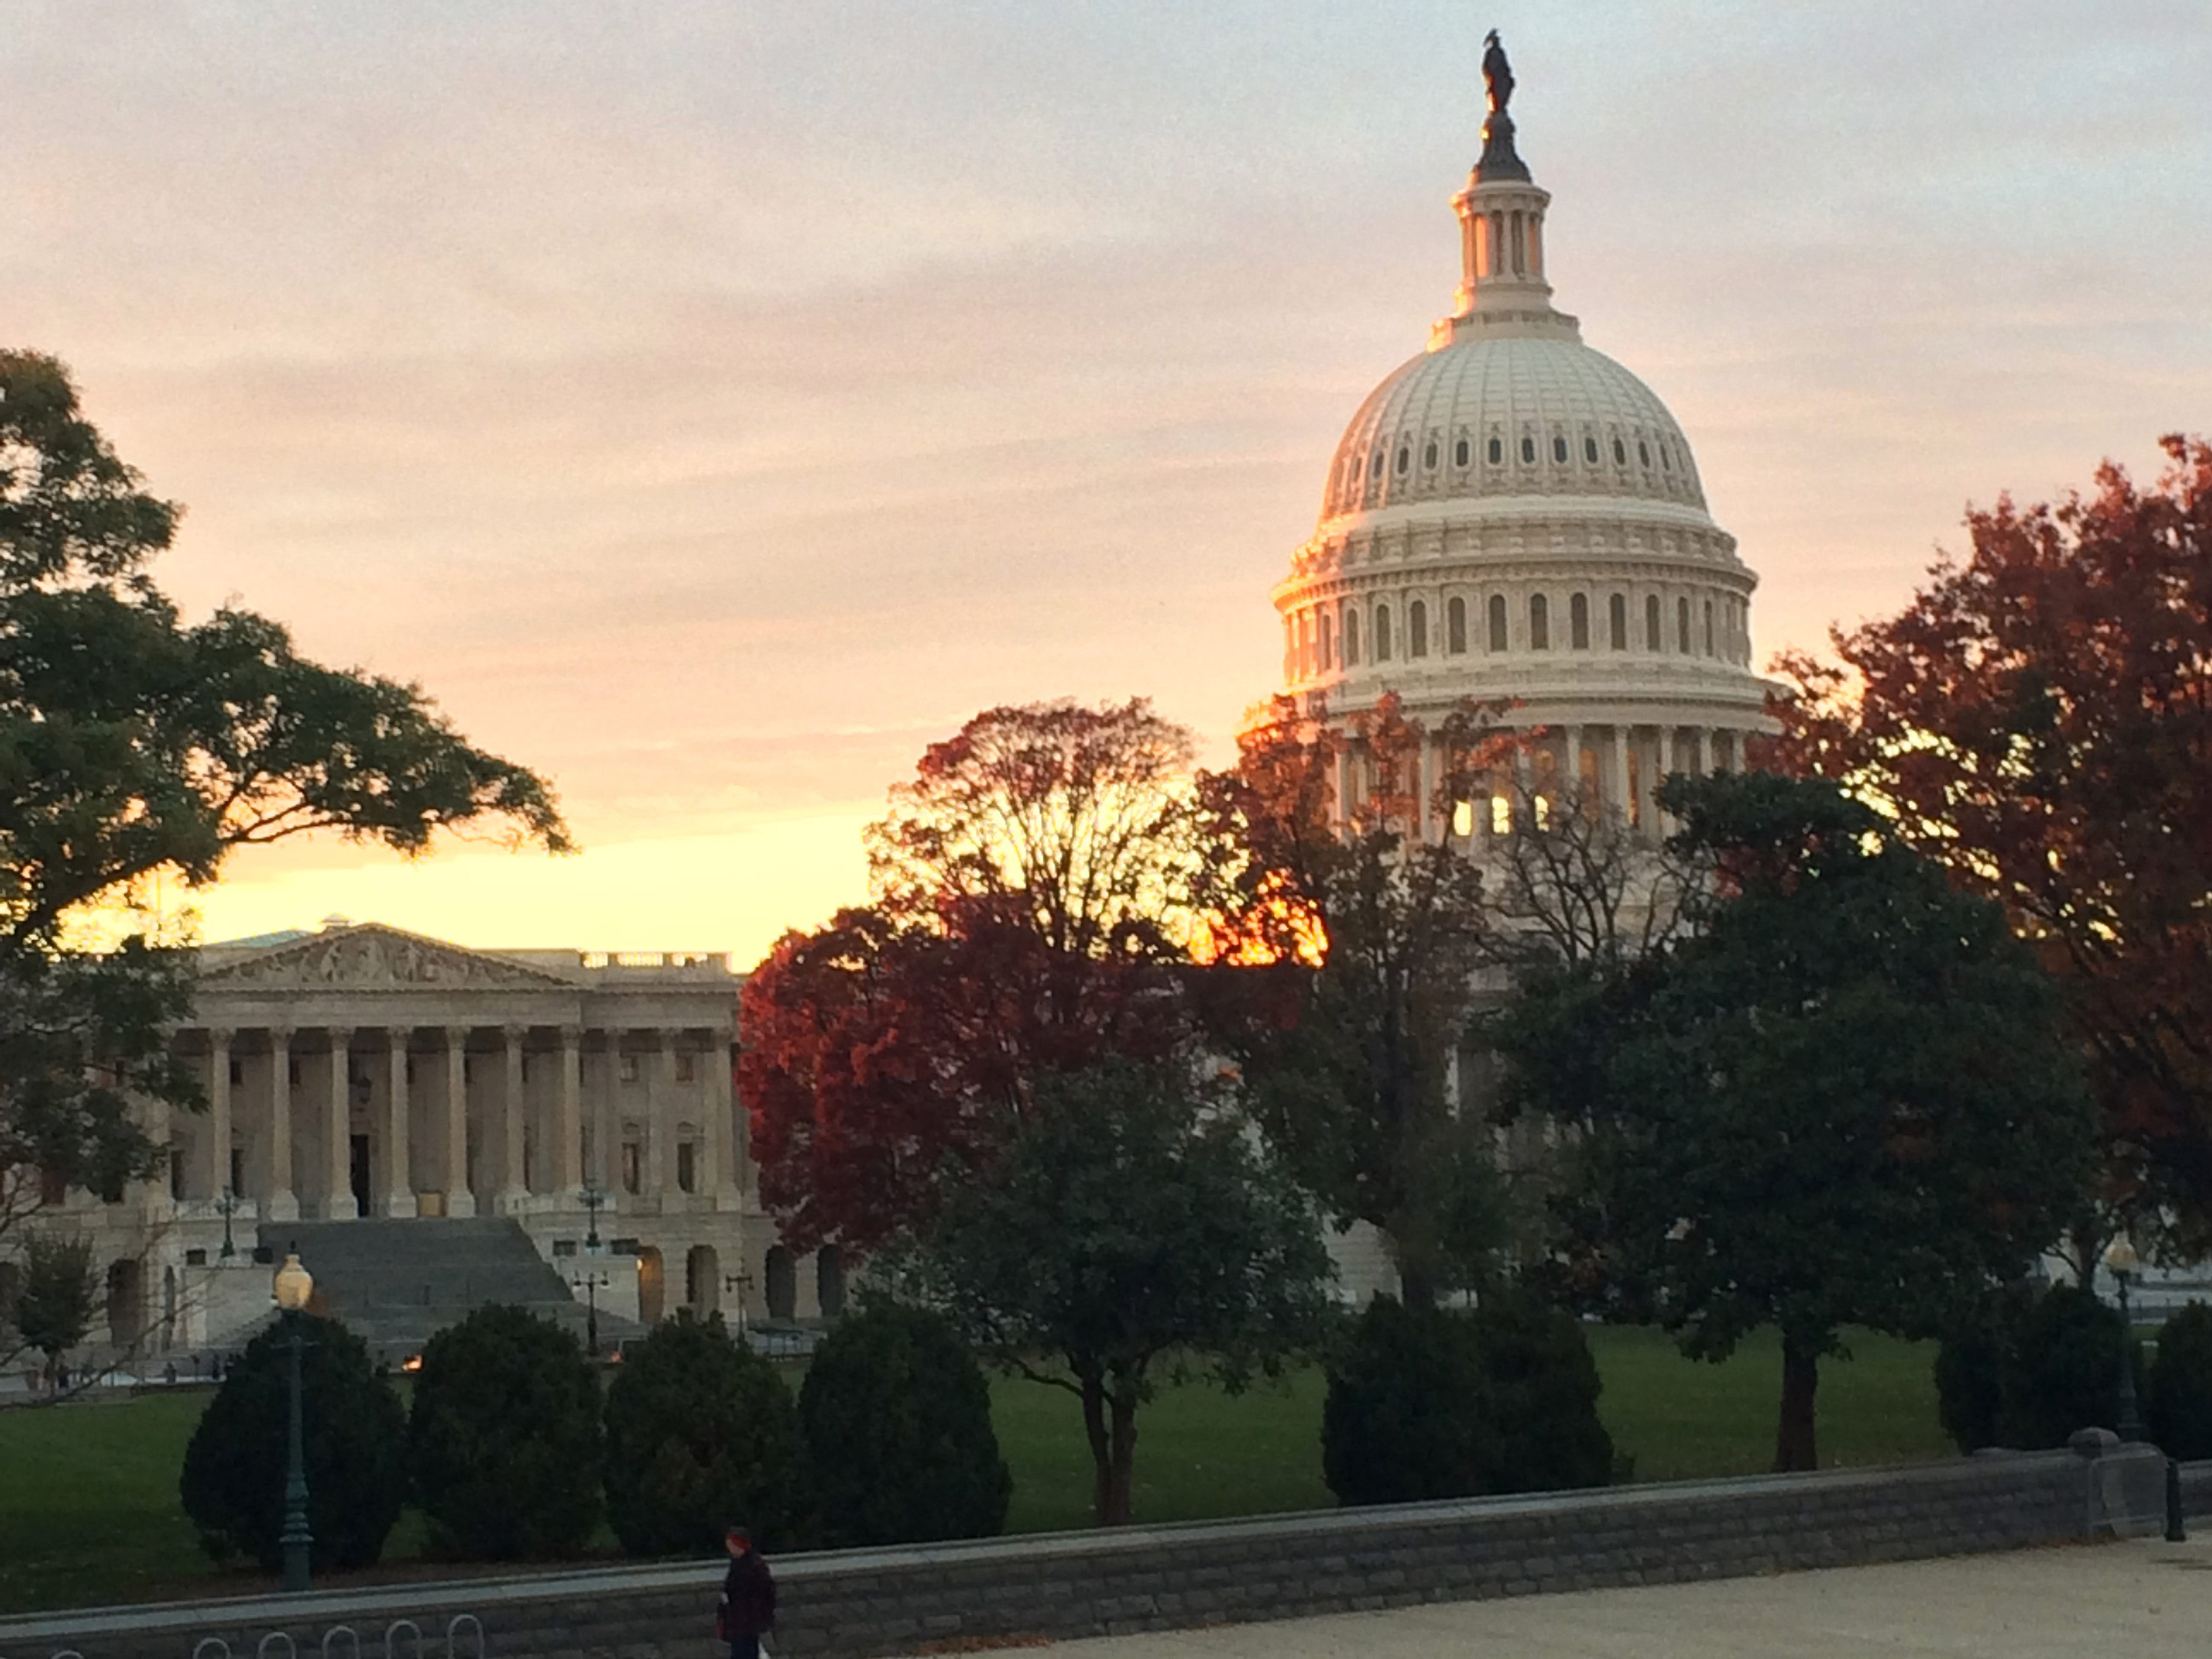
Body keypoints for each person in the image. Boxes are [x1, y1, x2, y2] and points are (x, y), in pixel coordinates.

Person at [716, 1524, 775, 1659]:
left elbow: (765, 1592)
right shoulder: (738, 1564)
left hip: (747, 1621)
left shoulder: (753, 1566)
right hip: (737, 1621)